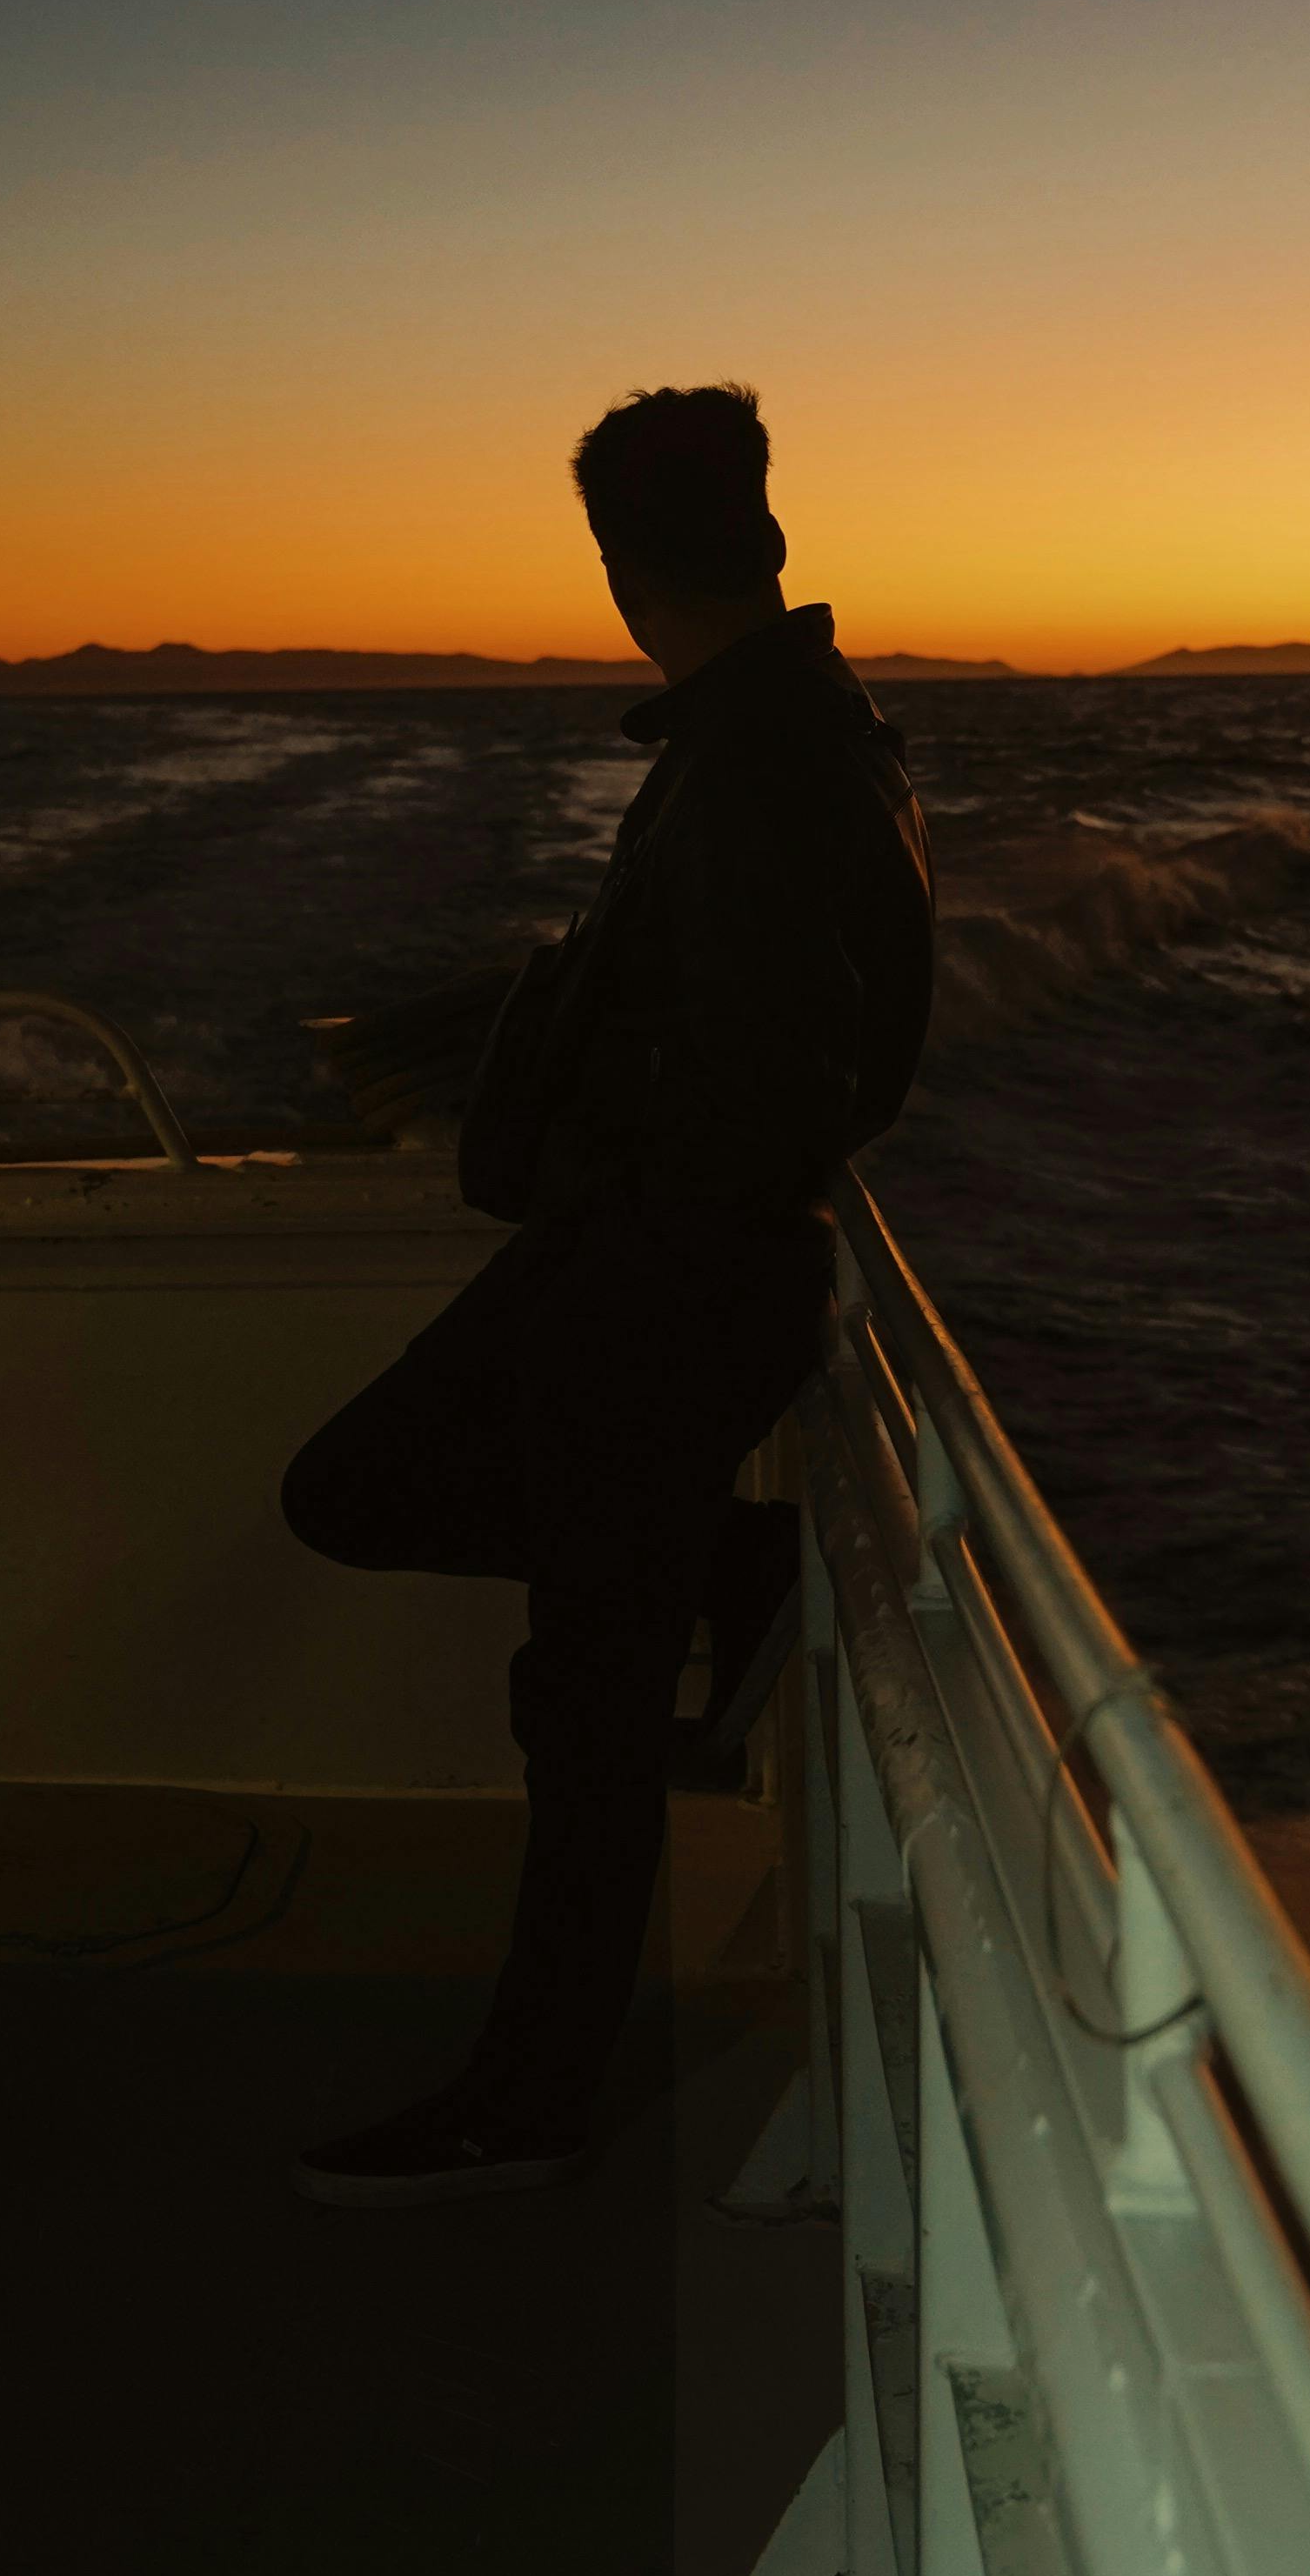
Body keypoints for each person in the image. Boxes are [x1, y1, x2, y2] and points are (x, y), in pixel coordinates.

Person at [280, 383, 935, 2205]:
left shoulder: (758, 761)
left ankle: (529, 2091)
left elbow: (767, 1059)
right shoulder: (803, 735)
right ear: (766, 531)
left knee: (535, 1642)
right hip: (677, 1259)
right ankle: (721, 1577)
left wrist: (589, 1130)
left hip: (668, 1270)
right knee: (578, 1658)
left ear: (619, 561)